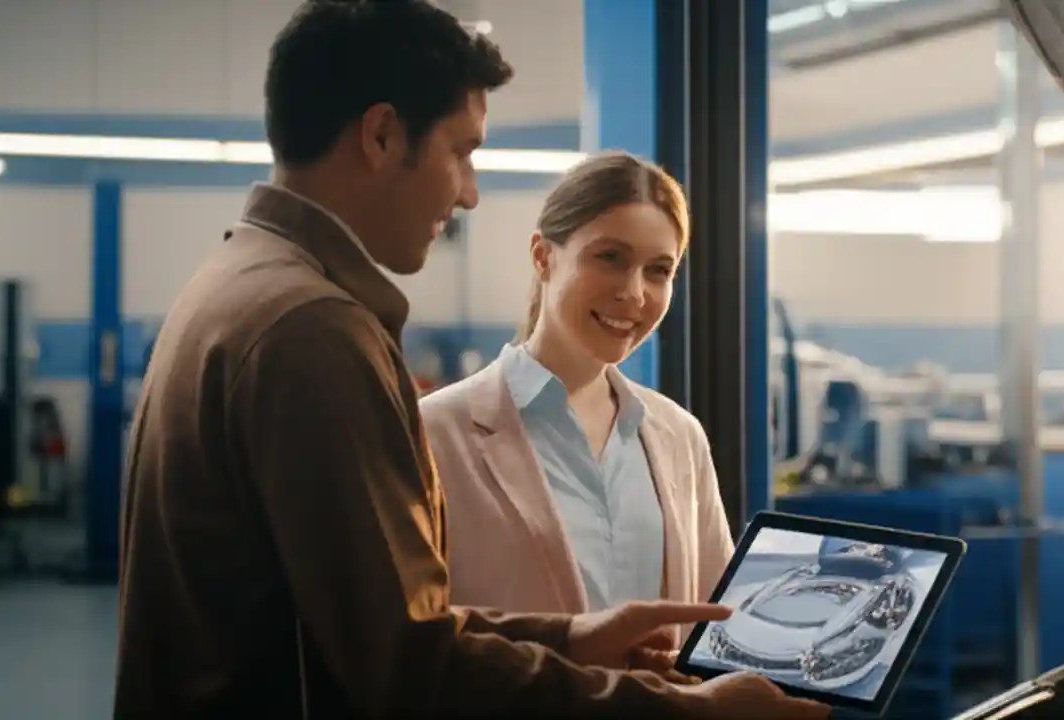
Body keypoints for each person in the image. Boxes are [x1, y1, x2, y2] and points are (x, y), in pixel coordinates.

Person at [113, 1, 828, 718]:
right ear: (383, 135)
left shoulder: (238, 285)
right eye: (462, 151)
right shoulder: (312, 330)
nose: (469, 192)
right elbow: (407, 667)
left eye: (660, 270)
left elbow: (383, 623)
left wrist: (570, 638)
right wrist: (687, 713)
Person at [420, 153, 732, 643]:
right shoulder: (435, 433)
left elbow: (718, 626)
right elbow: (411, 642)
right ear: (544, 256)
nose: (634, 293)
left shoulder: (678, 436)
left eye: (658, 270)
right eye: (610, 258)